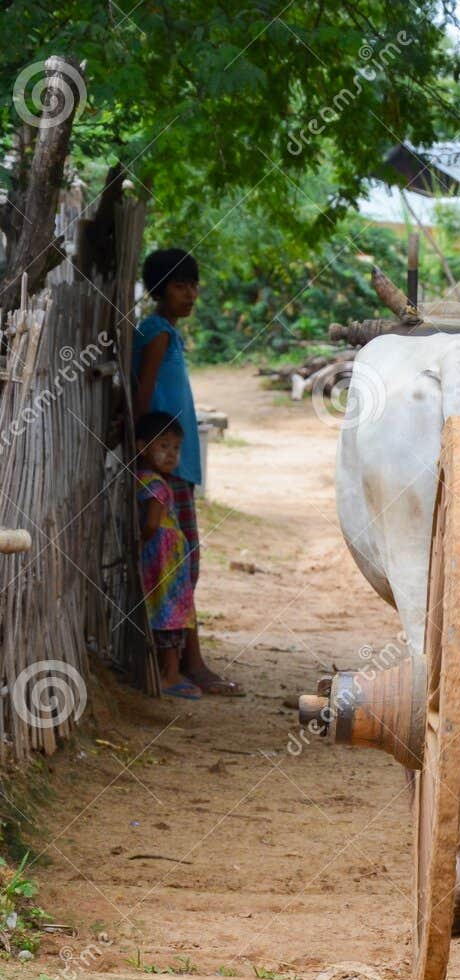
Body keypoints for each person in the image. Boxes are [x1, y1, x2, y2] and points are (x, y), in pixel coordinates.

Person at [132, 248, 243, 696]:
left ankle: (188, 661)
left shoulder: (167, 333)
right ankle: (185, 665)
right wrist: (143, 453)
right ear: (159, 290)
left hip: (177, 463)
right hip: (164, 464)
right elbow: (143, 396)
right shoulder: (156, 332)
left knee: (185, 565)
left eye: (194, 285)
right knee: (181, 564)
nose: (190, 294)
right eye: (180, 286)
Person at [135, 412, 200, 700]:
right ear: (141, 447)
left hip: (162, 558)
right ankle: (170, 675)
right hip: (165, 560)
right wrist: (142, 542)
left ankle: (165, 673)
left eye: (175, 448)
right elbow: (151, 523)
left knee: (163, 614)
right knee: (171, 615)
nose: (171, 454)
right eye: (163, 446)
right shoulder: (156, 484)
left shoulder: (144, 478)